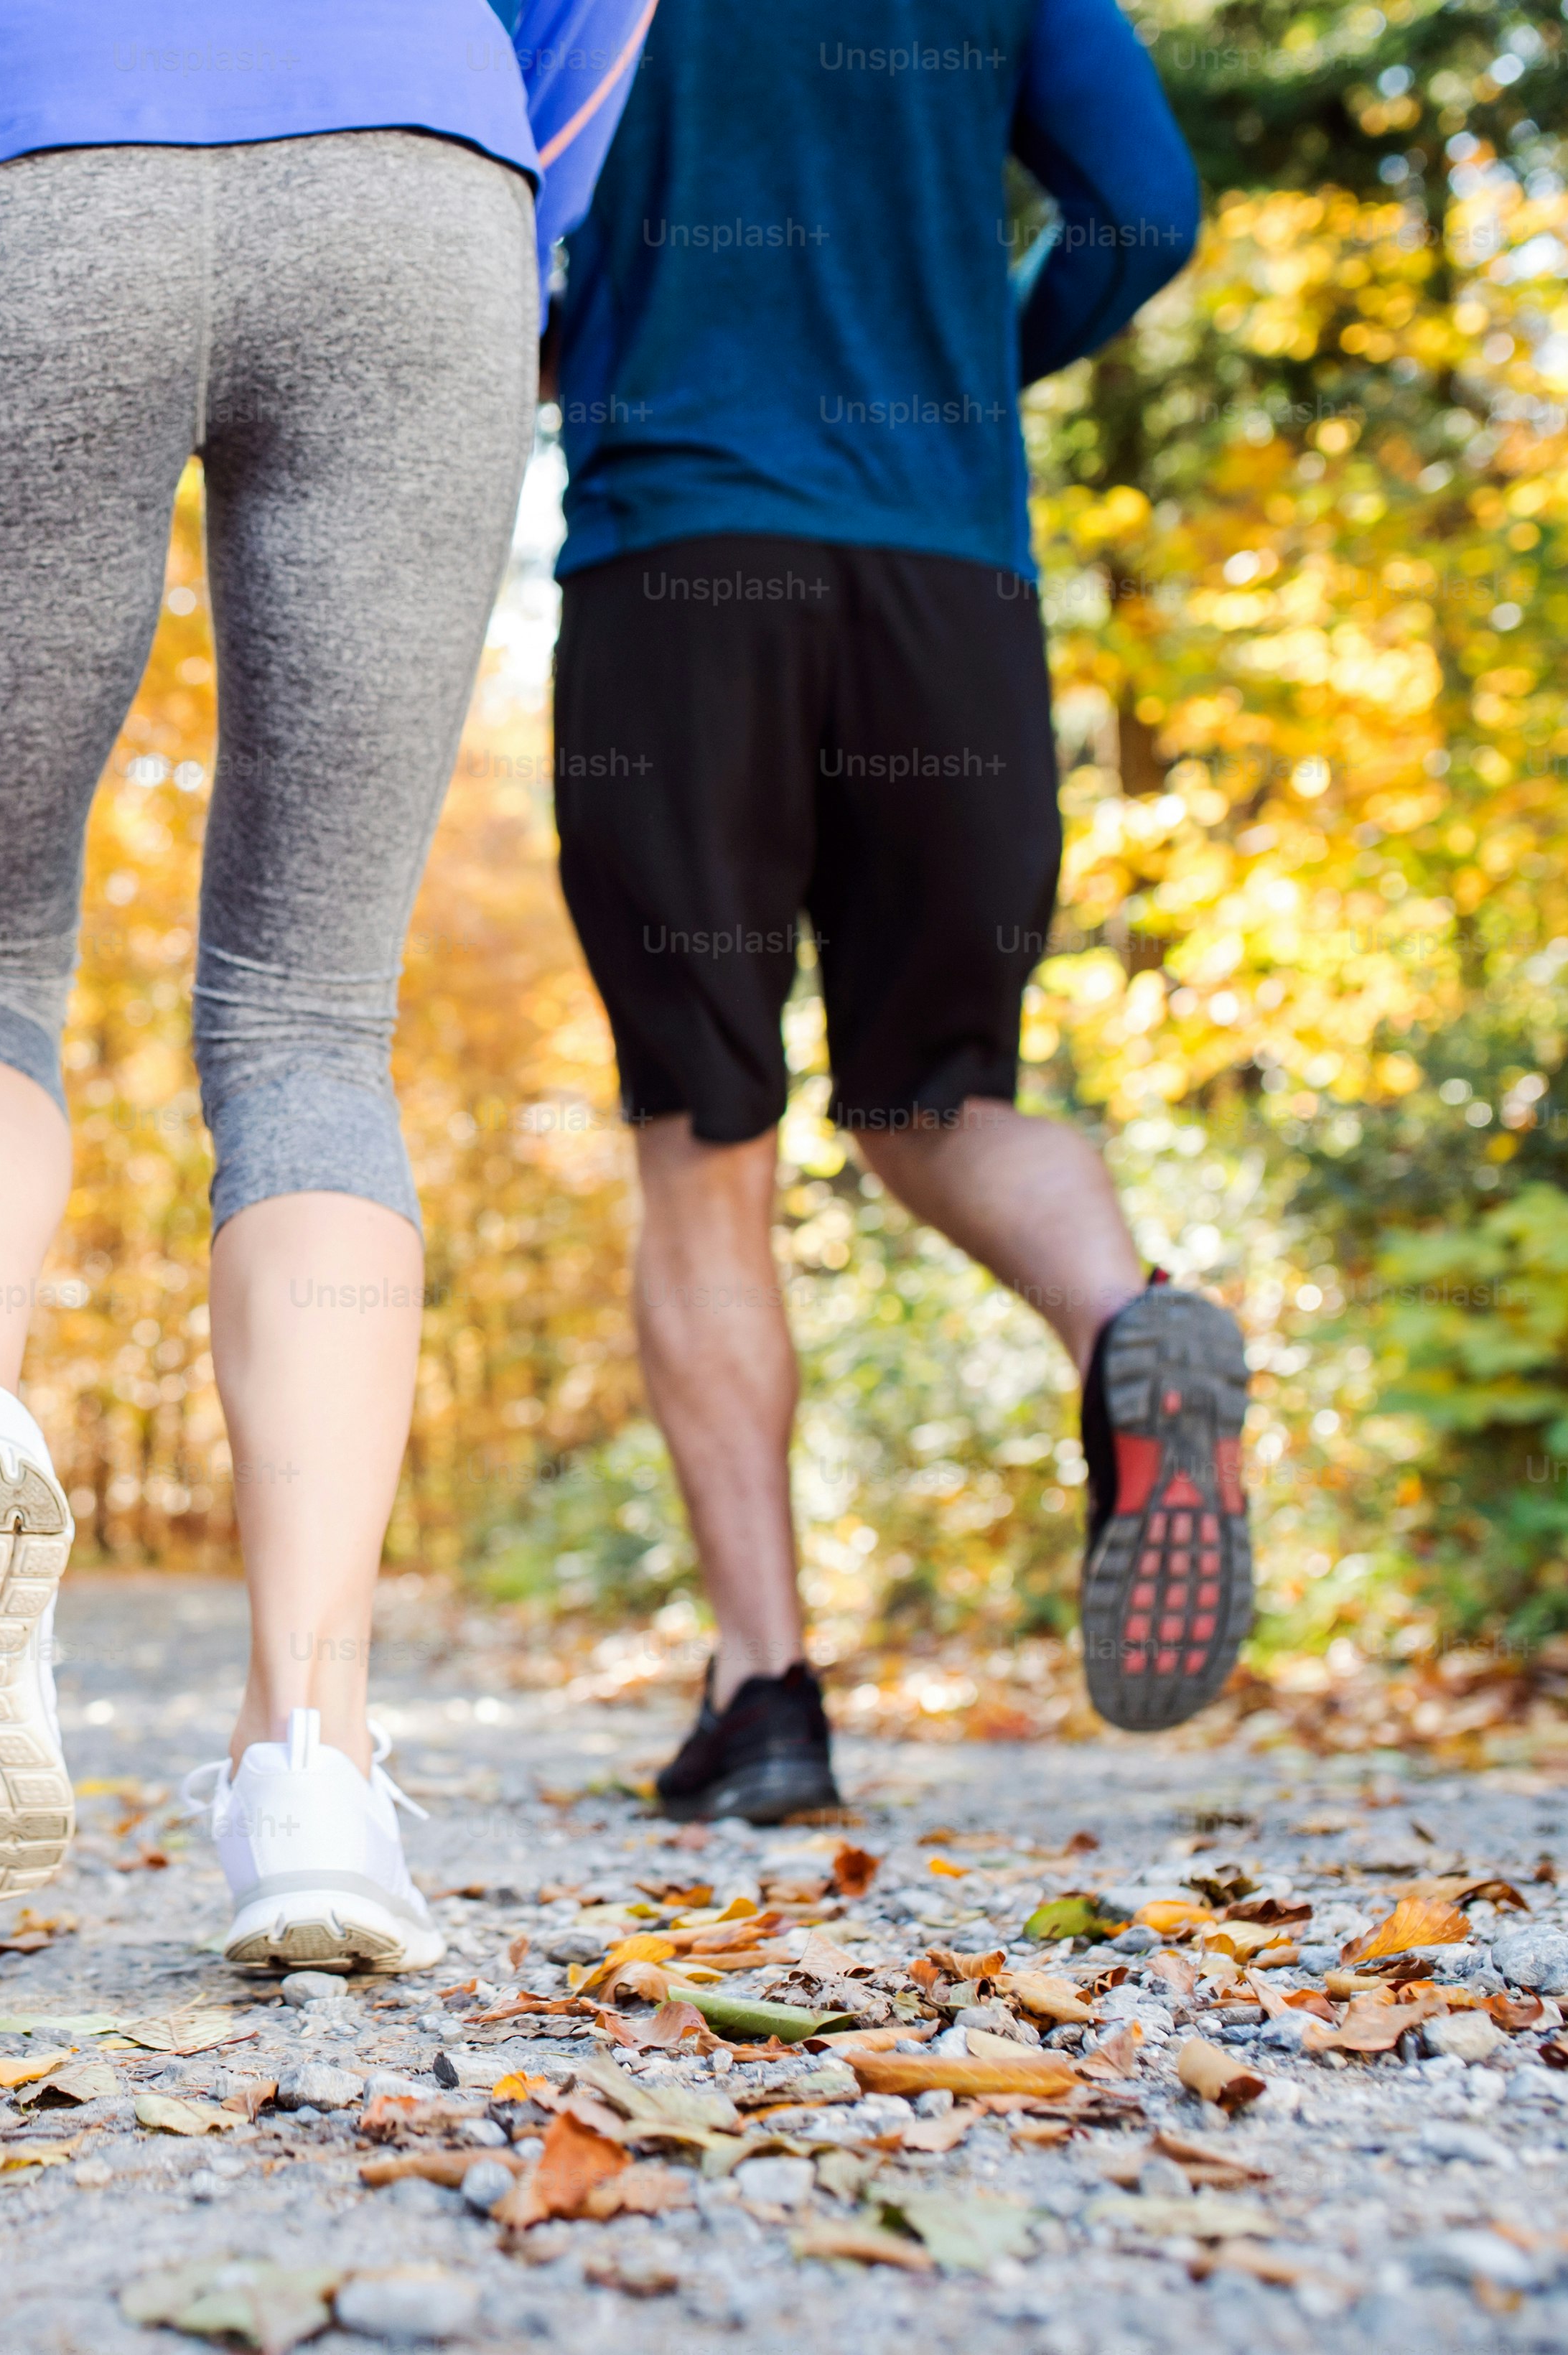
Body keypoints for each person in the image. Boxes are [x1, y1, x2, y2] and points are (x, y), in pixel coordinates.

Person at [0, 0, 657, 1967]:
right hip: (417, 178)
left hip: (3, 144)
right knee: (313, 1018)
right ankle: (313, 1766)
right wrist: (512, 164)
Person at [542, 0, 1229, 1821]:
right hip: (947, 579)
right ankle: (1120, 1335)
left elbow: (474, 205)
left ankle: (765, 1693)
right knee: (938, 1095)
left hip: (679, 560)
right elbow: (1142, 210)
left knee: (707, 1142)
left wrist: (570, 337)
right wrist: (977, 361)